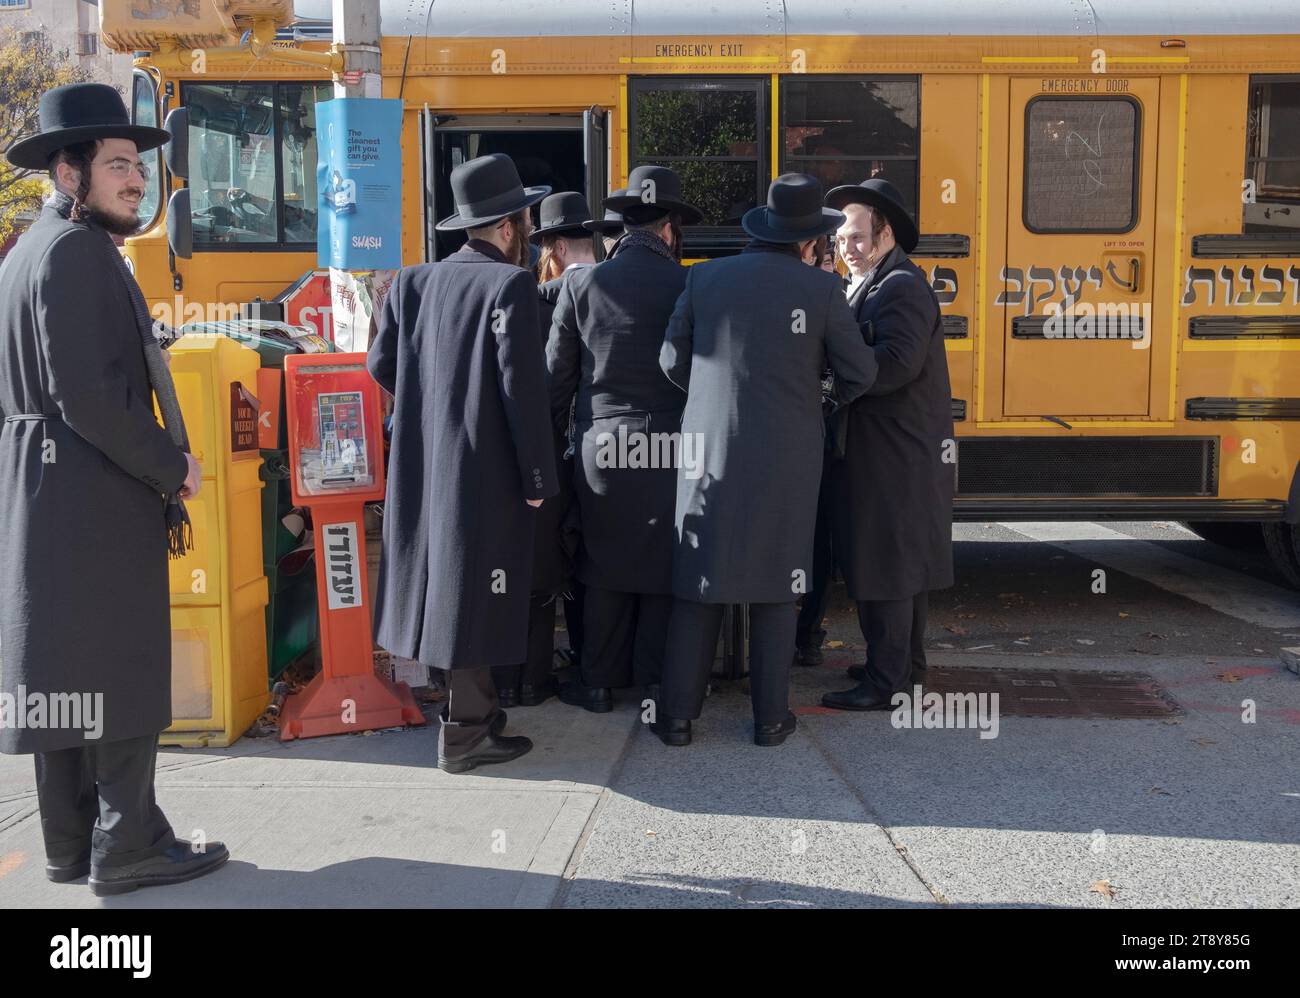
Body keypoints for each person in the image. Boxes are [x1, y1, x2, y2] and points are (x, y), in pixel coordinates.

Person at [0, 83, 227, 895]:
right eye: (119, 165)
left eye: (139, 165)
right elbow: (92, 397)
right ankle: (128, 843)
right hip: (92, 497)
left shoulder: (31, 250)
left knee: (64, 675)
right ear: (70, 174)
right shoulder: (75, 253)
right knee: (120, 673)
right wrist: (174, 466)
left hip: (46, 497)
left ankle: (71, 846)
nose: (137, 180)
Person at [654, 174, 880, 747]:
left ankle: (678, 718)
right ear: (808, 243)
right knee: (779, 587)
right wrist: (818, 397)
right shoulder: (821, 291)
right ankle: (770, 721)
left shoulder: (703, 278)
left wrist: (710, 399)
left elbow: (670, 361)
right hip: (787, 458)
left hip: (707, 453)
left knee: (699, 583)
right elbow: (861, 373)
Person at [368, 153, 558, 772]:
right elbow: (521, 392)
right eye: (525, 220)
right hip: (485, 467)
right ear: (510, 226)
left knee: (441, 582)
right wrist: (536, 477)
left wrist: (430, 399)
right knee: (476, 588)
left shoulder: (414, 282)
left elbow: (380, 366)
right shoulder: (510, 285)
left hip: (422, 462)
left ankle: (467, 711)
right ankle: (467, 733)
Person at [546, 166, 699, 712]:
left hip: (602, 446)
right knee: (663, 563)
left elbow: (556, 381)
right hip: (673, 443)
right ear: (669, 228)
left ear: (621, 225)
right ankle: (656, 683)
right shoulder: (690, 283)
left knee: (602, 564)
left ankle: (599, 683)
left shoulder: (581, 284)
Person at [820, 178, 955, 711]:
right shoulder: (876, 282)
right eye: (840, 240)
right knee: (901, 566)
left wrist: (835, 377)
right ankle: (904, 666)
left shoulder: (899, 286)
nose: (846, 248)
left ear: (885, 233)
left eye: (855, 237)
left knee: (886, 566)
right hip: (893, 451)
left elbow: (897, 364)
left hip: (893, 455)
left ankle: (885, 681)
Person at [490, 192, 596, 706]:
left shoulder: (530, 298)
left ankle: (523, 679)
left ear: (550, 248)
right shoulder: (611, 287)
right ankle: (586, 660)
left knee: (535, 570)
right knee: (583, 564)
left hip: (548, 452)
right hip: (616, 454)